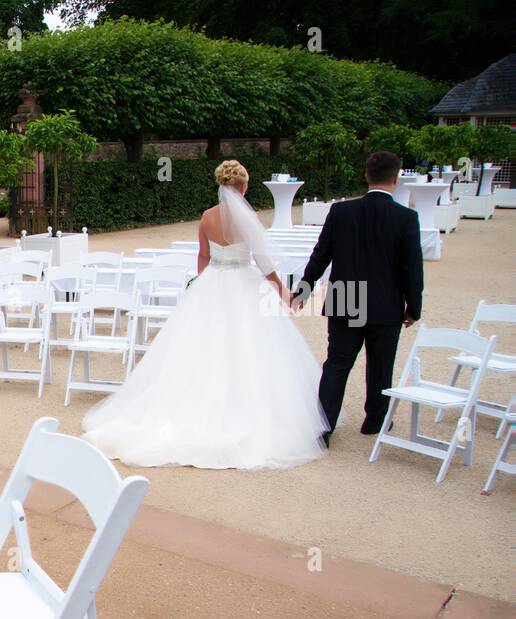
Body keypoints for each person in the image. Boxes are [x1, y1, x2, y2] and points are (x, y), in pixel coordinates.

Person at [81, 160, 328, 469]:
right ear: (243, 187)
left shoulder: (207, 217)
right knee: (250, 350)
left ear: (220, 185)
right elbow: (264, 262)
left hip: (212, 281)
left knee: (199, 350)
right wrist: (283, 293)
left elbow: (203, 256)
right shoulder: (249, 218)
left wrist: (203, 285)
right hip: (243, 283)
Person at [292, 151, 424, 445]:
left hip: (346, 295)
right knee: (380, 364)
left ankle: (323, 427)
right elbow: (412, 267)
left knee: (337, 363)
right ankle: (374, 422)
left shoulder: (341, 212)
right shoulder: (406, 218)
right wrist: (413, 306)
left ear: (366, 176)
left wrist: (304, 287)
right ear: (396, 178)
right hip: (385, 300)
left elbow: (321, 254)